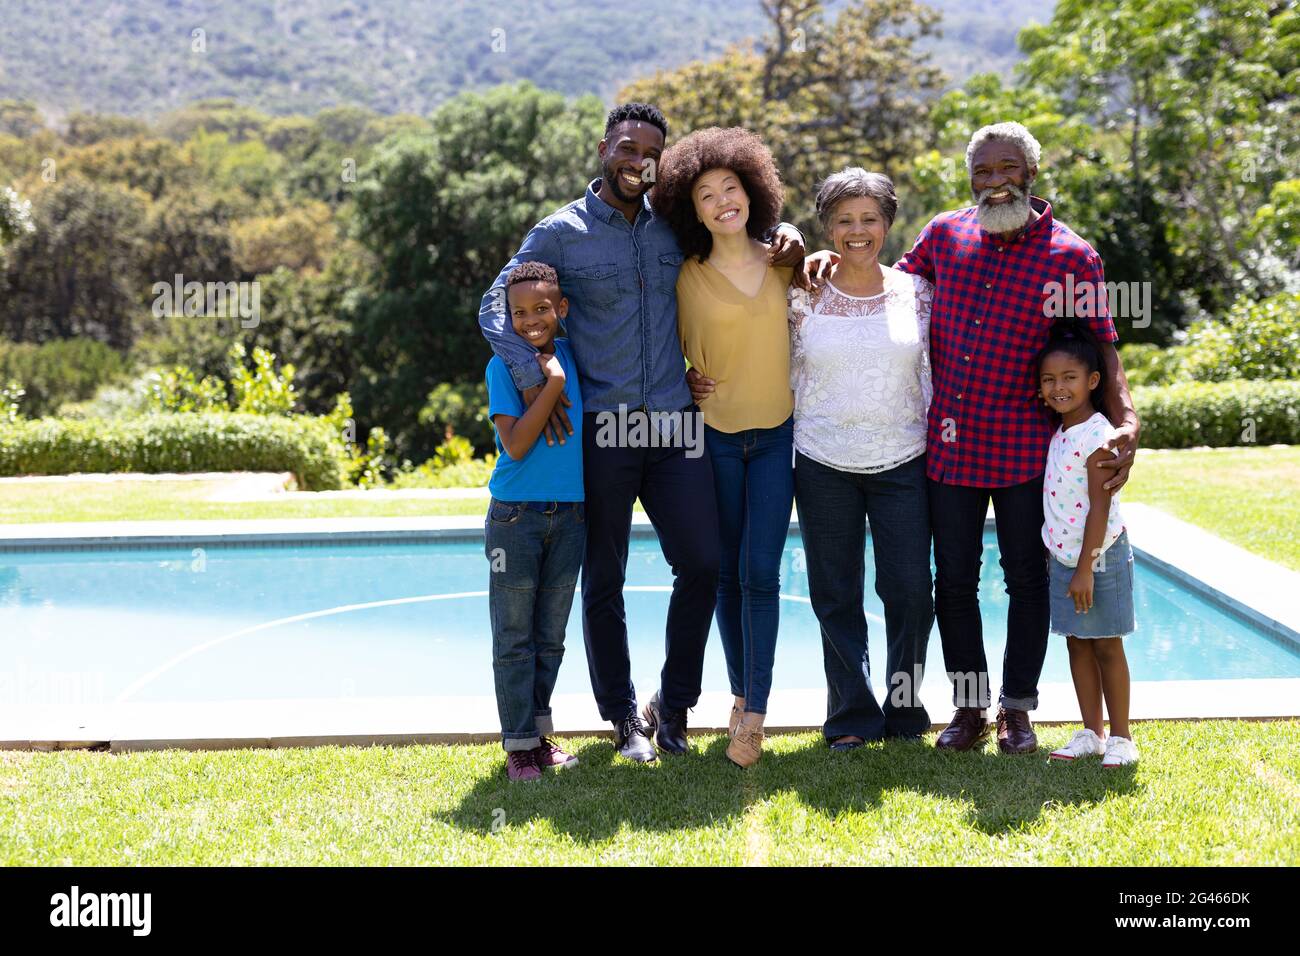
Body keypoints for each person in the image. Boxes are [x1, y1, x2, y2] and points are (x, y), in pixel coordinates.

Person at [478, 104, 806, 762]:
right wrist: (534, 370)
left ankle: (674, 704)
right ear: (605, 147)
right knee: (605, 579)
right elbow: (497, 300)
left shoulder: (673, 226)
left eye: (650, 152)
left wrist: (792, 233)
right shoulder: (561, 232)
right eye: (627, 147)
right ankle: (623, 716)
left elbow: (741, 233)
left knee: (705, 564)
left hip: (676, 424)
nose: (637, 161)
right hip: (604, 427)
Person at [803, 121, 1140, 755]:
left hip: (1022, 451)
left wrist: (1127, 420)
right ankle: (968, 708)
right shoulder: (944, 235)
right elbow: (879, 287)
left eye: (1006, 169)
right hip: (949, 452)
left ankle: (1017, 711)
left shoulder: (1072, 257)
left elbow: (1103, 348)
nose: (994, 182)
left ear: (1030, 174)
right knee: (952, 583)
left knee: (1026, 582)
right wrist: (820, 258)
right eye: (982, 172)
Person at [651, 127, 795, 768]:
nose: (720, 202)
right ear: (692, 206)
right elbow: (662, 351)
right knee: (729, 580)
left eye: (730, 188)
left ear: (752, 190)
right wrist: (682, 375)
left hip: (775, 438)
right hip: (712, 437)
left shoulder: (789, 260)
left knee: (762, 575)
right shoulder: (684, 277)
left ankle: (755, 716)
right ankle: (739, 695)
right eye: (705, 194)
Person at [786, 169, 935, 751]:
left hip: (903, 460)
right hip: (821, 461)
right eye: (844, 220)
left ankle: (903, 707)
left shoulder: (917, 292)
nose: (856, 231)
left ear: (888, 224)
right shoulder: (803, 292)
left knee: (908, 592)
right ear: (827, 227)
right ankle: (850, 713)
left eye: (868, 218)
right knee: (834, 593)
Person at [483, 262, 584, 781]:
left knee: (550, 636)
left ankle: (539, 737)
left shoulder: (573, 355)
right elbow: (517, 444)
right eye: (519, 312)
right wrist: (554, 386)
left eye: (542, 309)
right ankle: (517, 746)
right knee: (515, 635)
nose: (531, 320)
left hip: (571, 514)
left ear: (561, 309)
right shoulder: (504, 366)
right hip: (516, 517)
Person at [1036, 319, 1139, 767]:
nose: (1058, 387)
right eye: (1048, 379)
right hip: (1064, 558)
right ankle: (1090, 732)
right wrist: (1062, 559)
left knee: (1106, 644)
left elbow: (1099, 509)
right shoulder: (1059, 430)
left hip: (1100, 557)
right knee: (1077, 641)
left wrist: (1085, 568)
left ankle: (1121, 738)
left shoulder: (1099, 435)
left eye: (1069, 378)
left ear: (1093, 381)